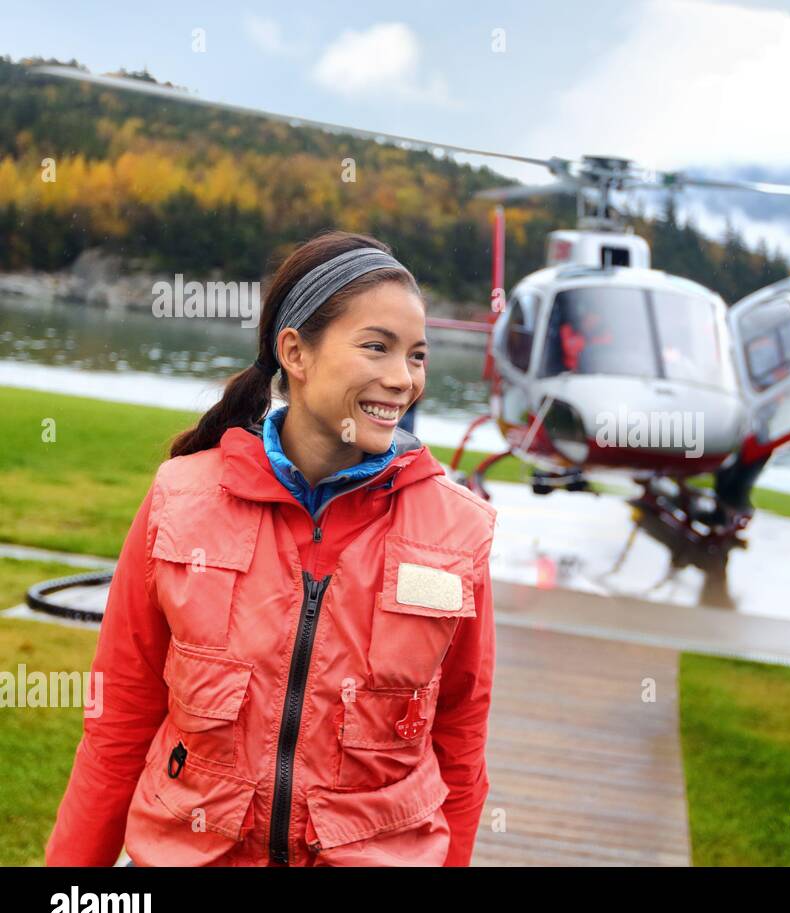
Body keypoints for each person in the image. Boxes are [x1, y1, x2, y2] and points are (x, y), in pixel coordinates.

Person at [43, 231, 498, 867]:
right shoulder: (180, 501)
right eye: (377, 347)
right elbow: (116, 725)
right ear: (295, 352)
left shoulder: (458, 533)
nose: (402, 380)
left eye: (417, 357)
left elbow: (461, 746)